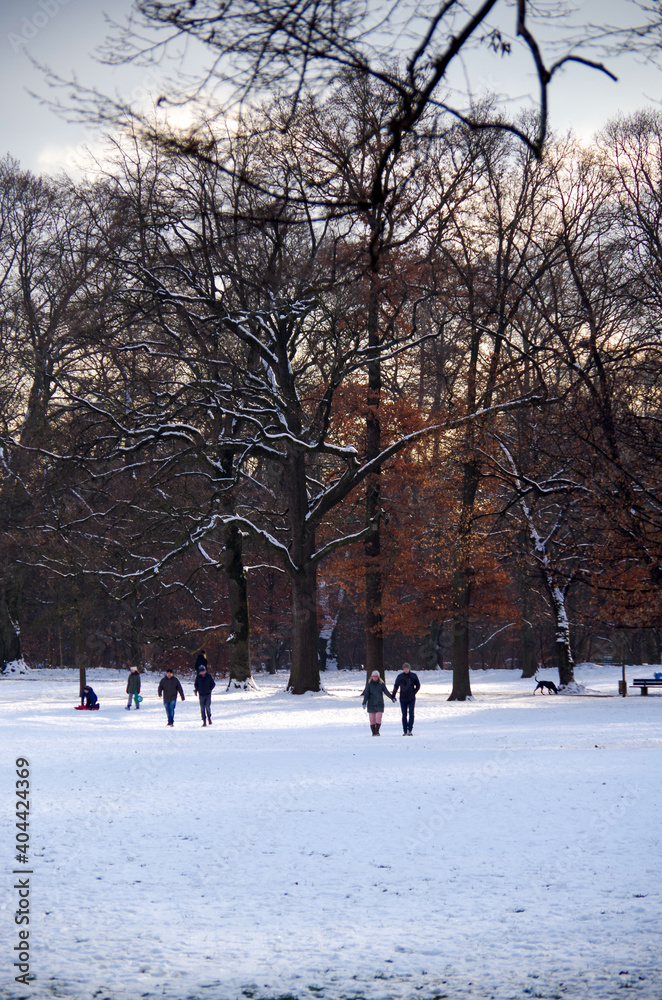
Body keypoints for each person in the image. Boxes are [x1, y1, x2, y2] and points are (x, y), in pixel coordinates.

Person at [361, 670, 395, 736]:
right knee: (372, 719)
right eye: (374, 676)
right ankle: (373, 732)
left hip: (379, 703)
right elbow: (366, 694)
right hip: (371, 704)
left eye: (376, 676)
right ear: (372, 677)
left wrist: (392, 698)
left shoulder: (381, 684)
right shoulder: (369, 684)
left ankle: (377, 731)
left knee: (378, 718)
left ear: (378, 677)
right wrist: (364, 702)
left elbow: (386, 692)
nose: (375, 677)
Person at [392, 661, 421, 735]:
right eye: (405, 668)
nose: (406, 670)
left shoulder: (413, 676)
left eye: (407, 668)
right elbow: (396, 686)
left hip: (411, 698)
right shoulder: (400, 676)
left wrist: (413, 692)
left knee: (411, 714)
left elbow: (418, 685)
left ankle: (410, 729)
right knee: (404, 714)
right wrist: (393, 695)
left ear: (409, 669)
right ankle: (405, 730)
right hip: (403, 698)